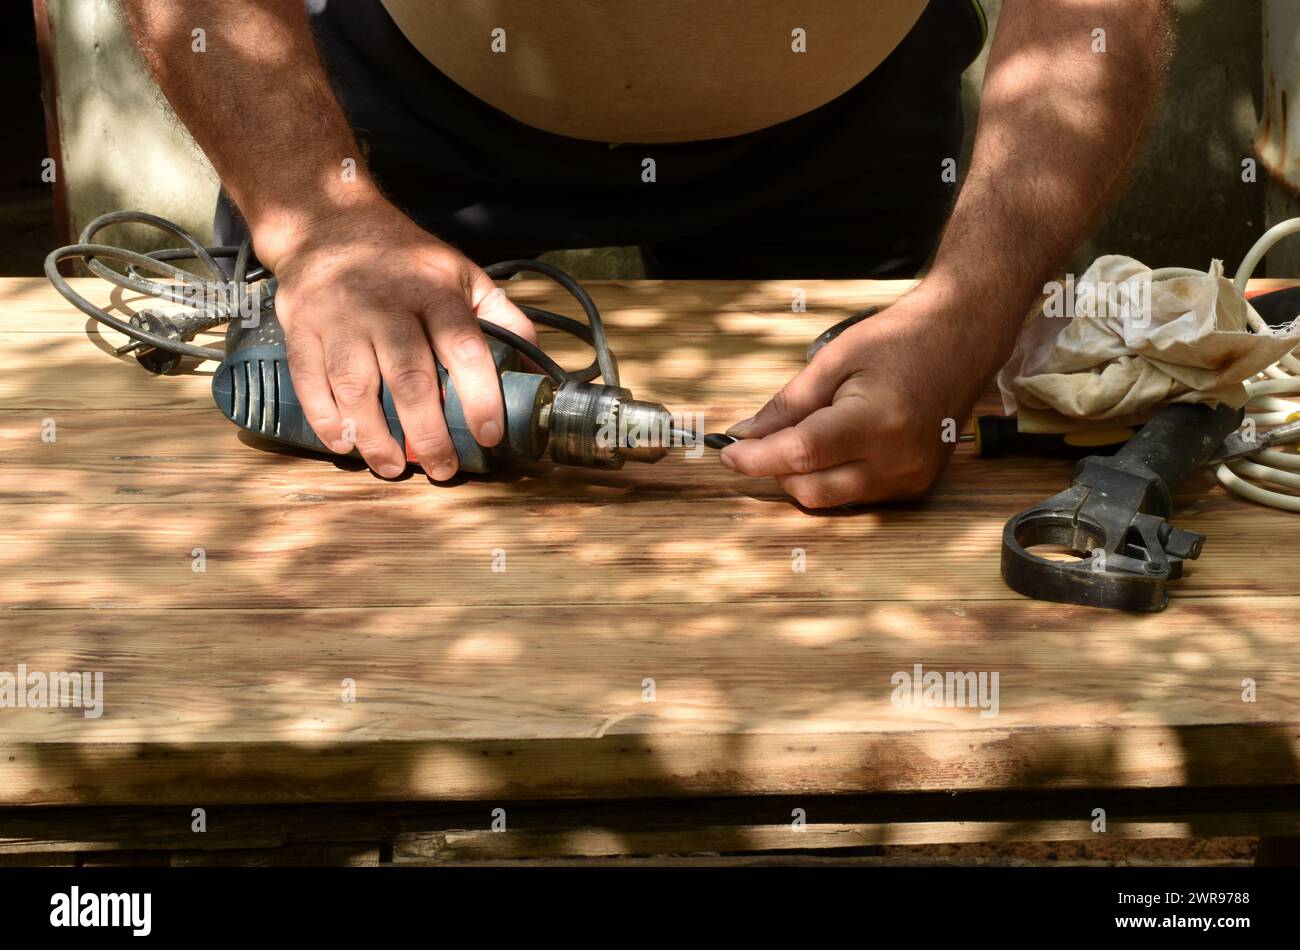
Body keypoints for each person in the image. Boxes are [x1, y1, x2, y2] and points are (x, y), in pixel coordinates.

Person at [123, 0, 1171, 506]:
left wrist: (969, 307)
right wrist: (320, 220)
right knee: (339, 528)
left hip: (845, 113)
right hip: (400, 104)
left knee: (866, 493)